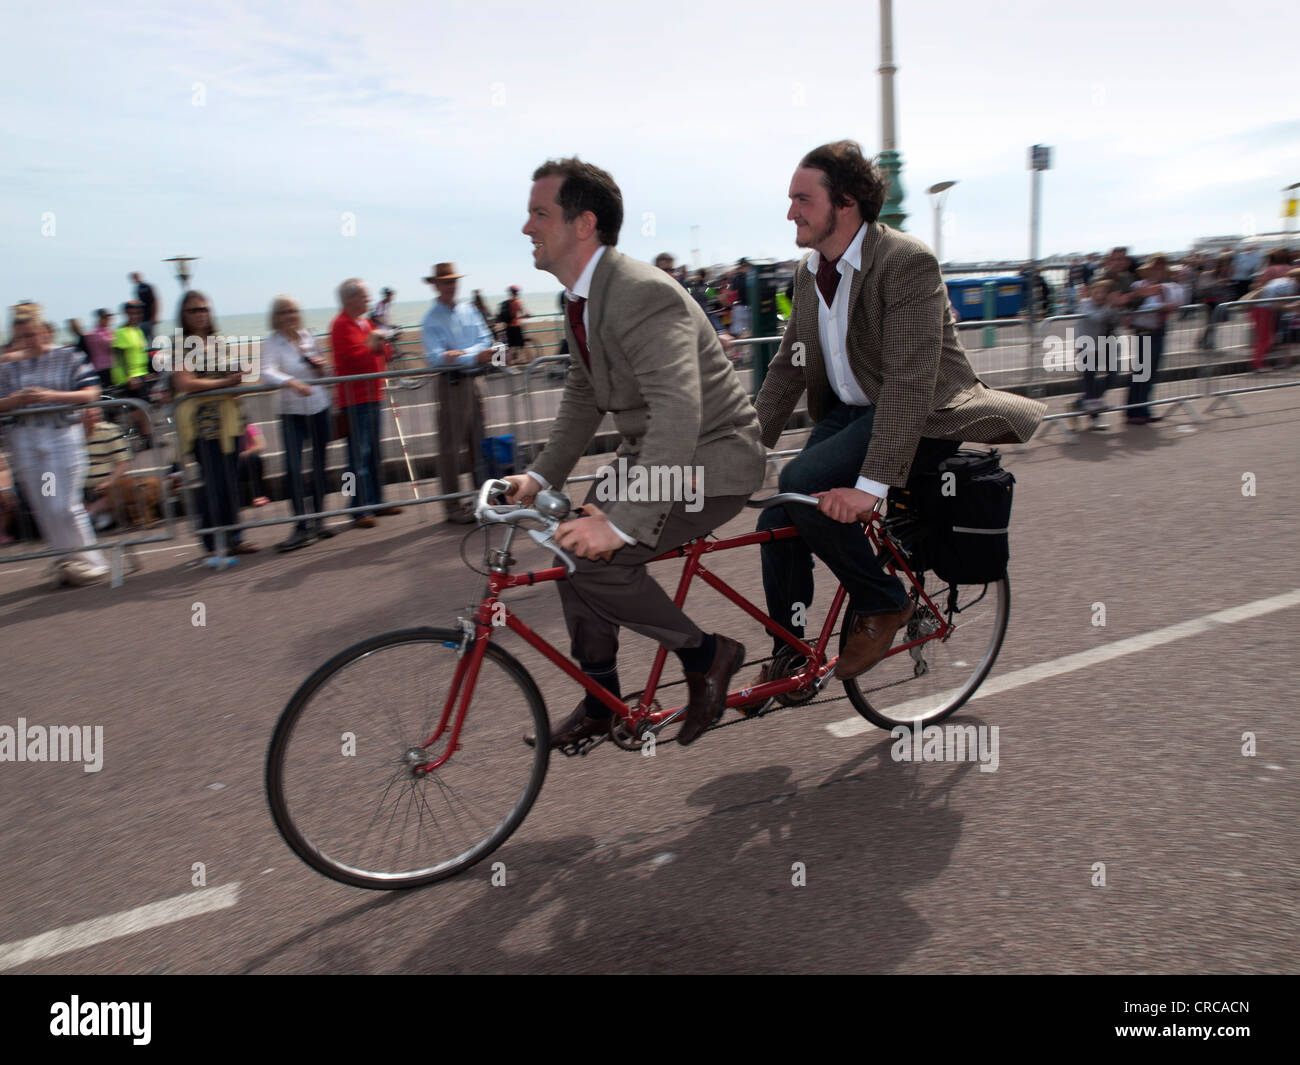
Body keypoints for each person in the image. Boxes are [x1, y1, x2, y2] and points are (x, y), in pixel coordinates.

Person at [744, 141, 1045, 699]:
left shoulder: (904, 262)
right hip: (854, 411)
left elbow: (909, 379)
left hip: (924, 412)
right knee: (777, 519)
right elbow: (790, 367)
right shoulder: (810, 273)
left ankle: (884, 600)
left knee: (799, 482)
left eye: (802, 199)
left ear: (848, 202)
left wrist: (869, 486)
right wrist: (743, 449)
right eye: (790, 200)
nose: (791, 212)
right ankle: (791, 653)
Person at [507, 156, 767, 750]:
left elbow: (679, 412)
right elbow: (582, 397)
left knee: (606, 553)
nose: (527, 228)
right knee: (569, 542)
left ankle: (708, 655)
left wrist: (622, 525)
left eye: (538, 214)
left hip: (711, 459)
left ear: (583, 224)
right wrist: (538, 477)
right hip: (653, 456)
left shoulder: (641, 293)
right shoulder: (584, 298)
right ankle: (602, 699)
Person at [0, 302, 111, 586]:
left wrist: (50, 395)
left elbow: (91, 392)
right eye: (21, 336)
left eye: (31, 334)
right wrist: (15, 402)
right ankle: (67, 561)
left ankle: (91, 561)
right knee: (45, 505)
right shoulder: (8, 365)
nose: (27, 341)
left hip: (60, 435)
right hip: (24, 439)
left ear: (44, 331)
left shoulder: (67, 356)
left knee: (64, 504)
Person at [172, 290, 258, 560]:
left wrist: (237, 381)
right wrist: (224, 383)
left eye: (204, 309)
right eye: (193, 310)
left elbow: (229, 375)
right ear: (183, 315)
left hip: (230, 421)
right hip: (202, 425)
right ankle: (212, 542)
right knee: (214, 483)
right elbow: (185, 383)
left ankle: (234, 537)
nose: (200, 315)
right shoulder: (180, 345)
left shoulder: (219, 341)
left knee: (231, 482)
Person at [421, 262, 496, 523]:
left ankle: (482, 498)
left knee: (479, 441)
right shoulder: (431, 318)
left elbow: (486, 340)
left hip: (473, 380)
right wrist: (473, 355)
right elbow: (436, 357)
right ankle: (452, 507)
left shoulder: (469, 309)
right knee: (450, 447)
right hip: (451, 384)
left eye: (453, 281)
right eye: (446, 282)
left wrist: (464, 355)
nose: (451, 286)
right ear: (436, 285)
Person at [261, 295, 334, 551]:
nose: (289, 315)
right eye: (283, 312)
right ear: (276, 317)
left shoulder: (307, 337)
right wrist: (290, 382)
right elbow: (267, 371)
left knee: (319, 466)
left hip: (318, 406)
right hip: (291, 412)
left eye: (293, 311)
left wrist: (319, 366)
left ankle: (319, 520)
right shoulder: (272, 342)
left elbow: (321, 369)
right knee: (293, 468)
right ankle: (300, 525)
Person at [331, 278, 402, 528]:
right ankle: (357, 507)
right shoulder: (341, 325)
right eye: (363, 296)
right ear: (350, 299)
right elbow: (354, 359)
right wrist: (374, 341)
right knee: (356, 456)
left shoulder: (365, 322)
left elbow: (384, 352)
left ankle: (376, 500)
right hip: (355, 399)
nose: (368, 300)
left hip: (373, 395)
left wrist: (381, 342)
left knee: (374, 454)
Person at [1125, 256, 1179, 422]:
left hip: (1158, 329)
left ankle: (1143, 408)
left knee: (1151, 372)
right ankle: (1134, 410)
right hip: (1145, 331)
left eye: (1161, 269)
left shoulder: (1166, 288)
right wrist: (1162, 307)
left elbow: (1177, 301)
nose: (1158, 272)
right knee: (1142, 372)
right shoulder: (1139, 286)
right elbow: (1140, 307)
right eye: (1155, 268)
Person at [111, 300, 154, 446]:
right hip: (130, 376)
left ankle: (146, 437)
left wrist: (147, 372)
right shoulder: (121, 332)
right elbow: (119, 356)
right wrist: (128, 377)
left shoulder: (138, 330)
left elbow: (140, 353)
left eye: (139, 313)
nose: (137, 315)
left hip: (140, 373)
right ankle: (145, 438)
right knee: (138, 409)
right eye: (133, 312)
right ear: (127, 314)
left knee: (144, 407)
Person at [237, 423, 270, 507]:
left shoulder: (248, 428)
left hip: (246, 464)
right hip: (234, 466)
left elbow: (261, 445)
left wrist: (244, 454)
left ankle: (258, 496)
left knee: (254, 458)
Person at [130, 272, 158, 343]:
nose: (135, 279)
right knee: (143, 338)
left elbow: (154, 301)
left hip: (149, 317)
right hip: (142, 319)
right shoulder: (137, 289)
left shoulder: (146, 286)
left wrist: (154, 316)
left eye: (136, 277)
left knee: (151, 337)